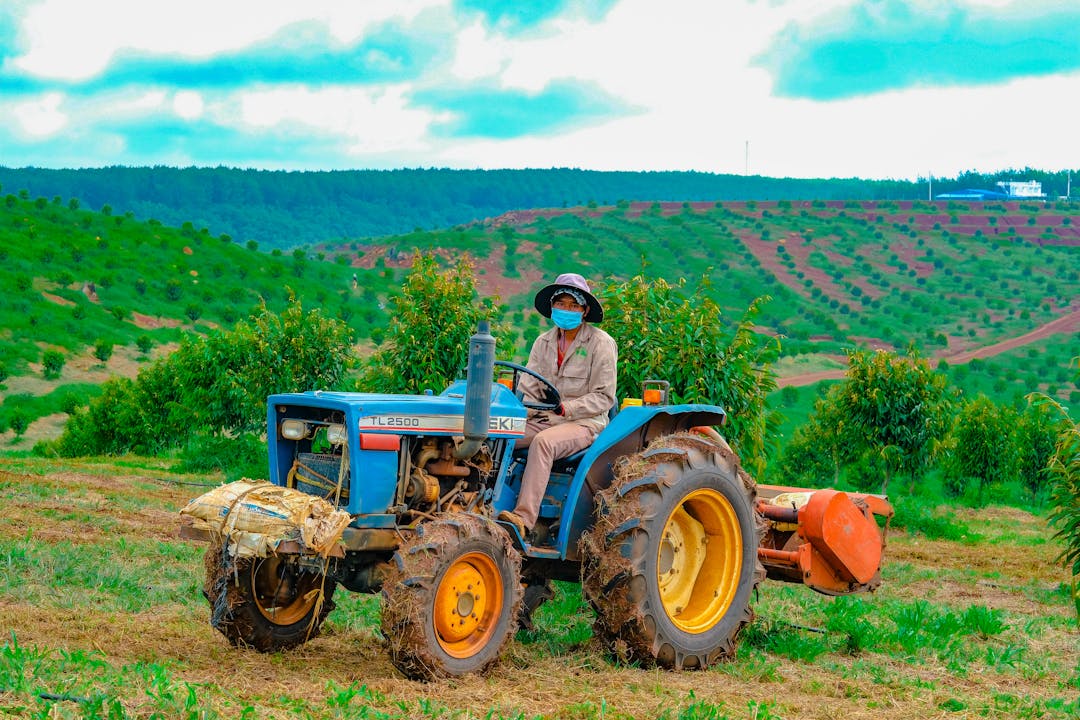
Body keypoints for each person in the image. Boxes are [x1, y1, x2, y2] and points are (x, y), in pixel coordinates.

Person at [498, 273, 617, 538]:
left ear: (584, 310)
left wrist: (568, 409)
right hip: (544, 418)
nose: (567, 310)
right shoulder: (543, 342)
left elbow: (604, 397)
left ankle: (522, 519)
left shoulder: (601, 344)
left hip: (584, 423)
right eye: (561, 303)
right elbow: (529, 386)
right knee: (497, 436)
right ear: (552, 307)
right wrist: (516, 415)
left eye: (573, 305)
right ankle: (482, 503)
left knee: (544, 443)